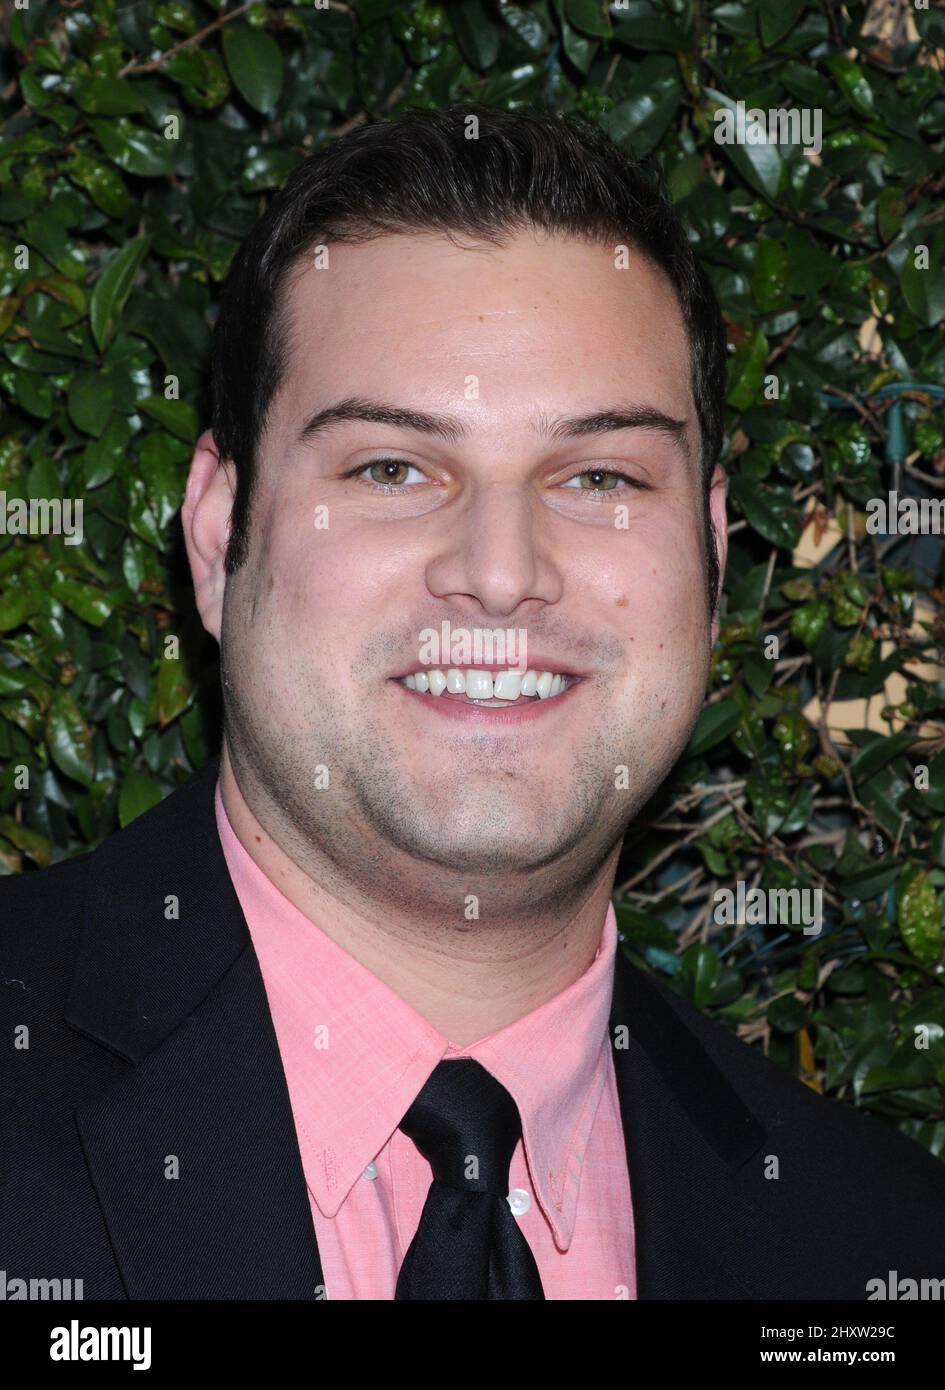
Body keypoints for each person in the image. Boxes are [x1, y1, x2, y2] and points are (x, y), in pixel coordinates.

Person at [2, 103, 943, 1302]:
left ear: (711, 548)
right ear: (216, 533)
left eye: (599, 475)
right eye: (393, 468)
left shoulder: (877, 1249)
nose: (501, 570)